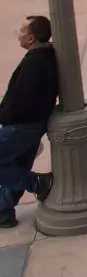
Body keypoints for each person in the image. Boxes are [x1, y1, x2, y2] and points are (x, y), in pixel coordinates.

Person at [0, 16, 58, 228]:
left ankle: (37, 182)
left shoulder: (35, 62)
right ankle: (3, 211)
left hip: (21, 126)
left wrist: (4, 116)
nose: (19, 34)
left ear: (32, 38)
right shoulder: (43, 56)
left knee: (14, 167)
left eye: (23, 31)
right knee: (16, 165)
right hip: (30, 125)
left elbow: (22, 100)